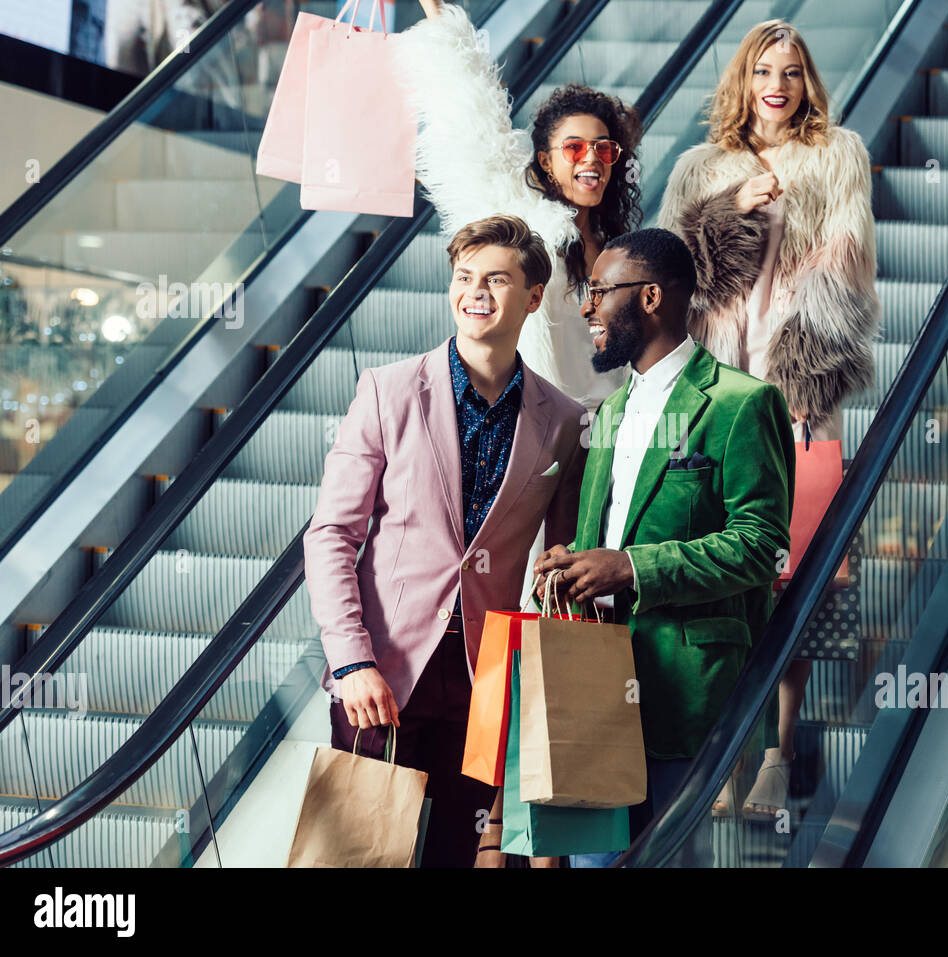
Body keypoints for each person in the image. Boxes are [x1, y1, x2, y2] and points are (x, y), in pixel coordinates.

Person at [302, 215, 587, 868]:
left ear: (534, 295)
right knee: (357, 855)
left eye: (495, 278)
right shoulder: (388, 391)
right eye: (464, 277)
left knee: (456, 853)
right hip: (382, 675)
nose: (475, 292)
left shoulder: (565, 421)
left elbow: (556, 565)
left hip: (485, 680)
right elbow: (331, 537)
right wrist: (350, 661)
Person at [657, 19, 881, 820]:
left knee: (793, 579)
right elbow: (672, 273)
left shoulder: (836, 154)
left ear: (807, 80)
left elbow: (849, 261)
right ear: (742, 82)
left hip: (796, 394)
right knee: (721, 574)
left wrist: (804, 373)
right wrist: (730, 209)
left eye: (790, 71)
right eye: (762, 72)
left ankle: (779, 754)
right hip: (716, 392)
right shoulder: (700, 167)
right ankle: (724, 751)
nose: (777, 86)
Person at [534, 228, 796, 867]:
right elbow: (611, 533)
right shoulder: (613, 408)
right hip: (596, 688)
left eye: (600, 291)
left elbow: (761, 546)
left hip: (687, 692)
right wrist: (574, 561)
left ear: (650, 297)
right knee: (598, 862)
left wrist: (630, 568)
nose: (588, 307)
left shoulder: (741, 402)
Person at [397, 0, 643, 412]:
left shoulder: (618, 247)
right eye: (574, 147)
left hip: (609, 434)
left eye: (603, 148)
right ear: (546, 161)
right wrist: (440, 16)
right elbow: (477, 125)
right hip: (541, 430)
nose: (591, 158)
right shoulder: (527, 226)